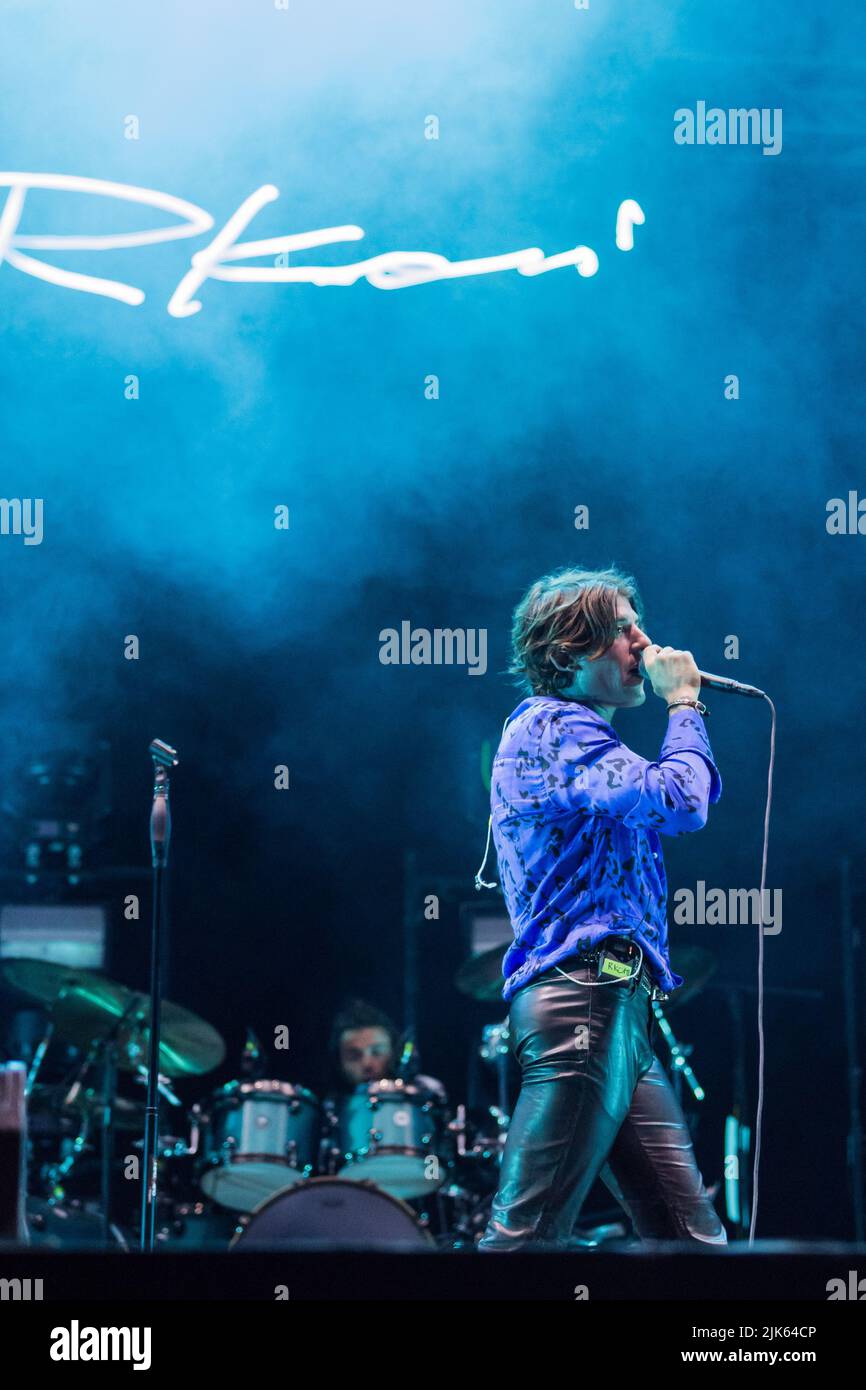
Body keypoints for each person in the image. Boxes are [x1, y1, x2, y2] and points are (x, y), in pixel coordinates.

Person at [478, 566, 727, 1250]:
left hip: (614, 1007)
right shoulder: (552, 726)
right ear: (569, 649)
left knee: (691, 1243)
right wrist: (684, 705)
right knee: (524, 1238)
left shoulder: (583, 740)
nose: (642, 643)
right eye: (622, 629)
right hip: (583, 999)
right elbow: (680, 800)